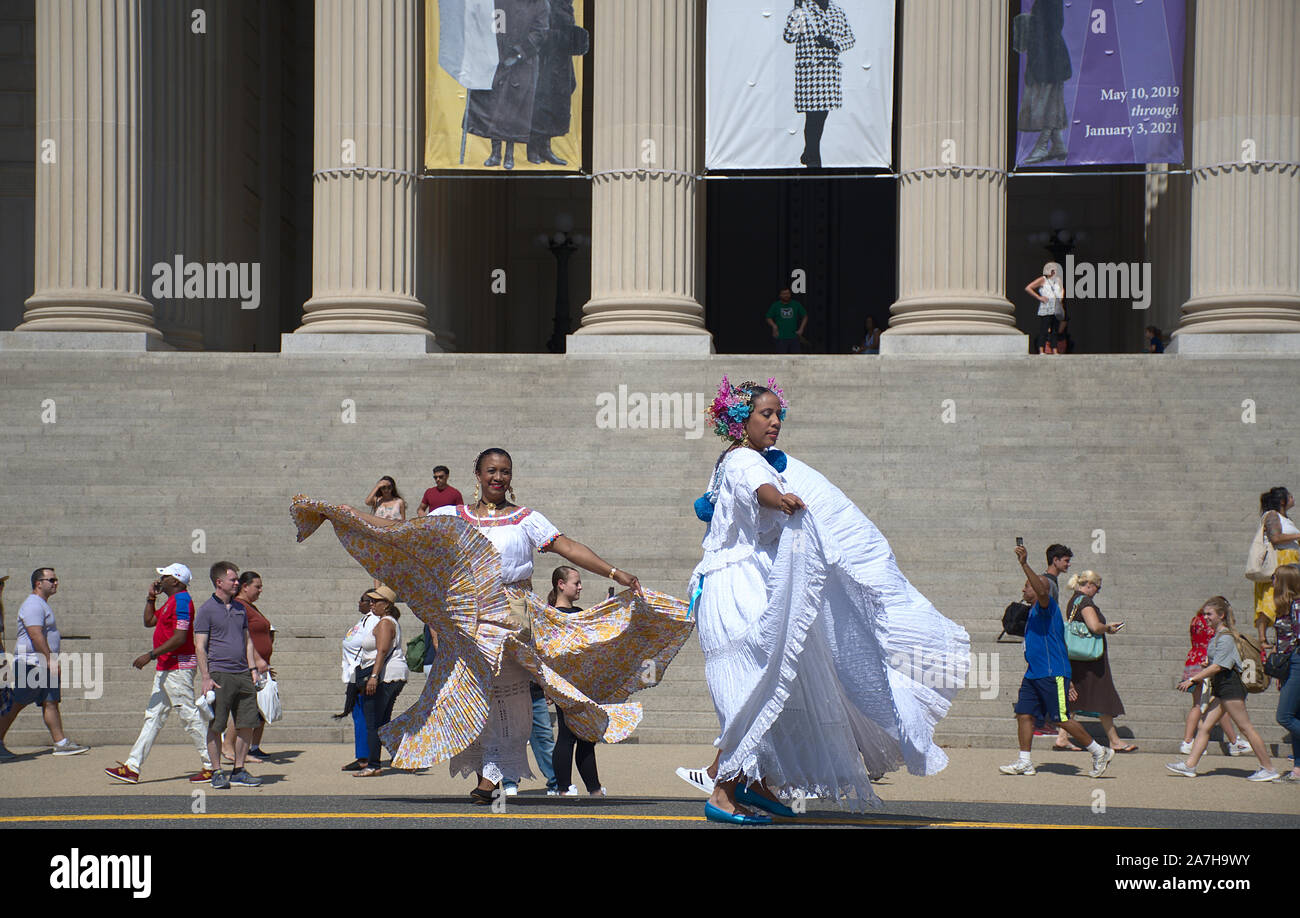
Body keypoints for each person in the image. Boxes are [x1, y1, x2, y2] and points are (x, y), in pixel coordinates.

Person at [292, 447, 694, 805]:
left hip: (513, 617)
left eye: (505, 471)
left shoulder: (527, 519)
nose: (498, 477)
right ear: (478, 476)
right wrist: (341, 514)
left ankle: (491, 778)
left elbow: (567, 546)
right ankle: (488, 773)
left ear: (510, 477)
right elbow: (398, 533)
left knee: (508, 697)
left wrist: (614, 571)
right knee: (467, 697)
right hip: (466, 621)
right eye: (491, 471)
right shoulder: (451, 516)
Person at [686, 377, 969, 824]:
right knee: (758, 684)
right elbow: (760, 488)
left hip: (742, 581)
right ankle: (722, 793)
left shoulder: (737, 459)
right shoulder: (743, 459)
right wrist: (781, 501)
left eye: (779, 414)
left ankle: (756, 783)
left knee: (780, 683)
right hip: (739, 585)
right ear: (743, 419)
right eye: (766, 414)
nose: (776, 422)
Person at [1001, 545, 1116, 779]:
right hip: (1034, 672)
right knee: (1024, 714)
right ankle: (1025, 762)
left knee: (1060, 718)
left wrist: (1024, 564)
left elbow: (1043, 590)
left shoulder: (1046, 606)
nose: (1023, 589)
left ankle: (1099, 751)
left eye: (1027, 586)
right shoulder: (1032, 611)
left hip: (1053, 671)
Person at [105, 564, 214, 784]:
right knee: (153, 717)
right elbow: (149, 622)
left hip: (178, 667)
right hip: (167, 667)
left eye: (163, 577)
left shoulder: (182, 601)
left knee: (188, 715)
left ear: (175, 581)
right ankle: (132, 767)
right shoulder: (170, 602)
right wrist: (150, 598)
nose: (159, 580)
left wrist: (150, 654)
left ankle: (212, 764)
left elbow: (181, 637)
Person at [1168, 597, 1280, 781]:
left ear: (1221, 615)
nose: (1205, 617)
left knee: (1245, 728)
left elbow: (1220, 666)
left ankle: (1268, 768)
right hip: (1222, 687)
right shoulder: (1219, 636)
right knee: (1204, 725)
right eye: (1204, 614)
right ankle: (1190, 765)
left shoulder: (1226, 636)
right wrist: (1207, 663)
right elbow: (1218, 662)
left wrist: (1193, 679)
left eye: (1209, 614)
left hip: (1231, 687)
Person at [0, 568, 89, 758]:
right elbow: (35, 633)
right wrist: (50, 659)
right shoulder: (33, 605)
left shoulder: (40, 604)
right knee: (16, 703)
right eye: (51, 580)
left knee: (51, 702)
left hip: (41, 662)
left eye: (56, 580)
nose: (56, 583)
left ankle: (61, 743)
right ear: (38, 583)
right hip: (32, 663)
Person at [195, 561, 270, 789]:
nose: (237, 582)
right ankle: (217, 771)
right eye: (233, 579)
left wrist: (253, 670)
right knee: (216, 725)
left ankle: (238, 769)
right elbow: (200, 646)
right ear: (219, 582)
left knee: (247, 724)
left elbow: (247, 641)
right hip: (220, 674)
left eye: (237, 579)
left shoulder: (240, 609)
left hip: (243, 674)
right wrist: (206, 676)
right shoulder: (207, 609)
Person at [467, 0, 550, 170]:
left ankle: (509, 155)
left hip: (522, 62)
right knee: (493, 106)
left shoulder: (538, 3)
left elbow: (540, 32)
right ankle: (495, 153)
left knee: (514, 109)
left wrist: (519, 53)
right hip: (496, 58)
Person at [548, 566, 605, 797]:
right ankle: (564, 788)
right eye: (576, 583)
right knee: (568, 734)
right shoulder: (551, 614)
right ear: (561, 584)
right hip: (564, 682)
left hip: (582, 683)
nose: (580, 586)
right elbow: (546, 652)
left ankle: (593, 789)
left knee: (586, 736)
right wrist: (548, 686)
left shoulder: (579, 612)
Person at [1062, 571, 1135, 752]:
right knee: (1103, 695)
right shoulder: (1085, 602)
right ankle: (1115, 740)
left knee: (1075, 696)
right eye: (1098, 587)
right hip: (1090, 660)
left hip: (1078, 657)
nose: (1098, 592)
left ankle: (1062, 737)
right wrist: (1108, 628)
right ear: (1089, 585)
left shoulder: (1074, 601)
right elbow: (1094, 627)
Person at [783, 0, 855, 168]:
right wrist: (797, 11)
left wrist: (834, 44)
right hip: (810, 72)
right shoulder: (803, 11)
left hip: (829, 73)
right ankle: (813, 157)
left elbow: (850, 38)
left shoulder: (838, 12)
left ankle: (810, 151)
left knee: (821, 115)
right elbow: (789, 36)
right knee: (813, 115)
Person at [349, 585, 408, 777]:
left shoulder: (384, 623)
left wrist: (373, 676)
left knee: (373, 721)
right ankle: (400, 756)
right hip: (392, 675)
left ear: (387, 604)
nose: (371, 604)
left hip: (385, 676)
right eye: (370, 600)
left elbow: (382, 651)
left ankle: (373, 764)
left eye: (375, 601)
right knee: (382, 721)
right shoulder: (389, 621)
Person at [1180, 601, 1250, 756]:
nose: (1206, 617)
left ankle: (1188, 741)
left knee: (1200, 704)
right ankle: (1233, 741)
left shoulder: (1195, 620)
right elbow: (1217, 649)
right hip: (1210, 663)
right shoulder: (1215, 627)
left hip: (1193, 658)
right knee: (1213, 704)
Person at [526, 0, 588, 165]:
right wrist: (563, 37)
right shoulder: (545, 3)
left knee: (559, 98)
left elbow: (566, 28)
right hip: (546, 59)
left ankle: (545, 147)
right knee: (542, 101)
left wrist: (576, 38)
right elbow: (539, 30)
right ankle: (533, 147)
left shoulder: (565, 5)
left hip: (561, 60)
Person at [222, 572, 274, 763]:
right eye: (257, 586)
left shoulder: (250, 607)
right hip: (247, 665)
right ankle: (228, 745)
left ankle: (249, 747)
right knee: (245, 707)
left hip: (259, 666)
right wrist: (257, 660)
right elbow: (240, 636)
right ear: (245, 586)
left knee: (254, 708)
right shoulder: (239, 607)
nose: (260, 590)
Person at [1017, 0, 1070, 164]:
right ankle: (1058, 144)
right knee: (1053, 100)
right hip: (1047, 58)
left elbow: (1051, 25)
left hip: (1049, 59)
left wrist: (1029, 23)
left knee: (1047, 101)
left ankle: (1042, 145)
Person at [336, 591, 377, 772]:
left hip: (364, 674)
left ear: (371, 603)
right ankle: (362, 756)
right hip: (354, 674)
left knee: (365, 717)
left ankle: (366, 757)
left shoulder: (375, 621)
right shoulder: (364, 621)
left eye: (362, 600)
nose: (358, 602)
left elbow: (371, 646)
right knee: (359, 715)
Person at [1253, 487, 1298, 646]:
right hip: (1278, 560)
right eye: (1290, 496)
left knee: (1287, 597)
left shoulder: (1286, 518)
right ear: (1282, 501)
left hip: (1291, 559)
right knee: (1270, 596)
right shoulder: (1272, 515)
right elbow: (1276, 538)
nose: (1293, 498)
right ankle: (1262, 638)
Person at [1268, 567, 1300, 782]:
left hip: (1298, 661)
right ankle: (1298, 770)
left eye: (1275, 577)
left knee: (1285, 716)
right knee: (1296, 716)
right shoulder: (1287, 606)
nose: (1271, 581)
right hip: (1291, 664)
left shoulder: (1297, 605)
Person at [1026, 263, 1064, 355]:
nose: (1054, 271)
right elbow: (1028, 288)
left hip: (1056, 306)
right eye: (1052, 269)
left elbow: (1062, 289)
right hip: (1046, 306)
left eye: (1055, 269)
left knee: (1055, 329)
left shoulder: (1057, 280)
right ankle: (1041, 350)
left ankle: (1054, 349)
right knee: (1044, 329)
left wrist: (1061, 297)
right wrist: (1039, 297)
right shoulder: (1043, 279)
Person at [766, 288, 807, 354]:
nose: (786, 295)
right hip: (780, 337)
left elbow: (805, 316)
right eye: (784, 294)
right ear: (780, 295)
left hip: (794, 337)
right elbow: (768, 317)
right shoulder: (776, 305)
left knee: (796, 359)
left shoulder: (796, 304)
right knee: (781, 359)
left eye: (788, 293)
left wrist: (801, 329)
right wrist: (774, 326)